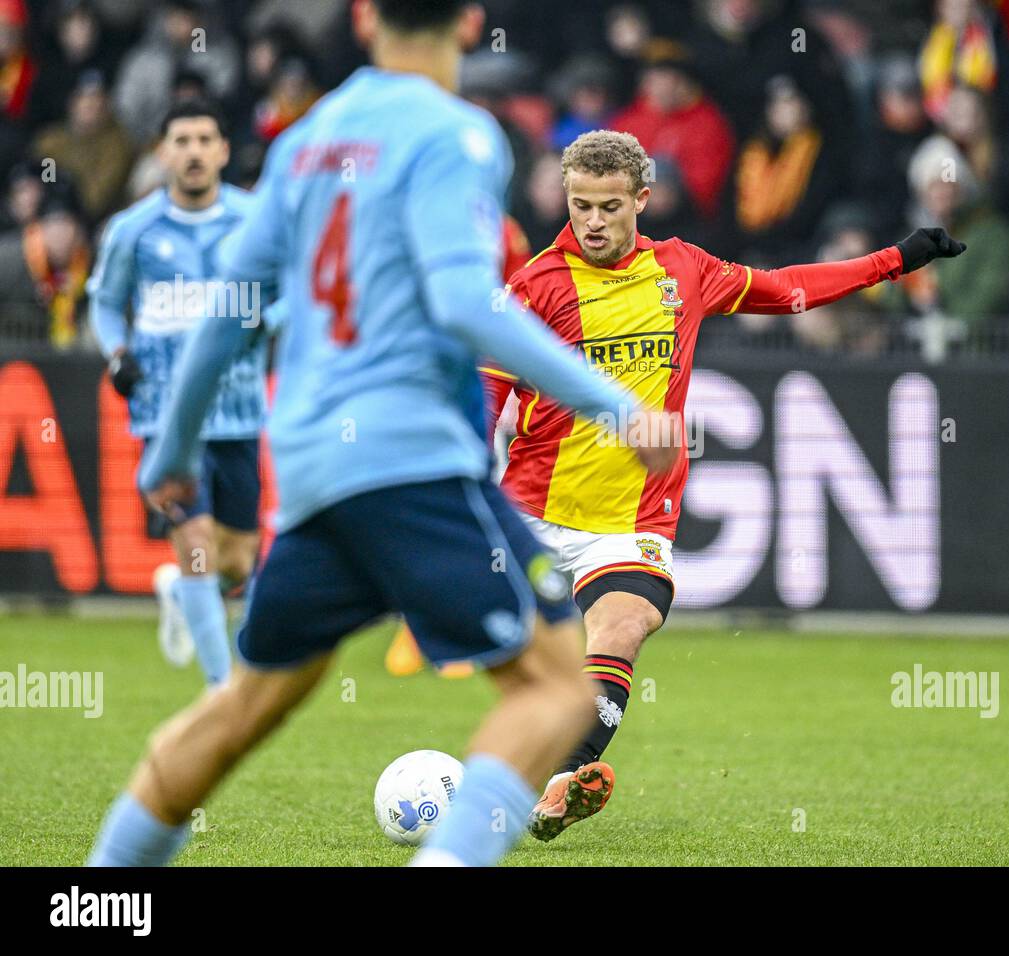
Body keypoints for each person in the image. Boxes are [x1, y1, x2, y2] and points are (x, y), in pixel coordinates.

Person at [86, 0, 674, 870]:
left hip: (317, 470)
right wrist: (616, 406)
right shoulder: (460, 136)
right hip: (413, 463)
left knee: (242, 707)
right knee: (556, 692)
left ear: (363, 19)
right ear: (471, 22)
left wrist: (170, 455)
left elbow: (229, 317)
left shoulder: (303, 143)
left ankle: (98, 892)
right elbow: (463, 302)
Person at [481, 129, 965, 842]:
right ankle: (521, 773)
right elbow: (484, 403)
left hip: (631, 522)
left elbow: (790, 289)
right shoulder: (532, 290)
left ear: (641, 199)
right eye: (580, 204)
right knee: (540, 680)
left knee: (625, 624)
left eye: (609, 206)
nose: (591, 221)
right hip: (534, 516)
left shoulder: (686, 271)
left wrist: (895, 260)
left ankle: (564, 780)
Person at [88, 98, 263, 684]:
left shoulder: (253, 221)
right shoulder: (132, 231)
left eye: (202, 140)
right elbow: (106, 304)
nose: (191, 152)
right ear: (163, 152)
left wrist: (270, 319)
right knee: (194, 543)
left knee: (235, 560)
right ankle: (221, 692)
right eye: (180, 141)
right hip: (166, 418)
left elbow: (290, 291)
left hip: (237, 412)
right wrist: (118, 352)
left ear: (222, 151)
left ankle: (181, 594)